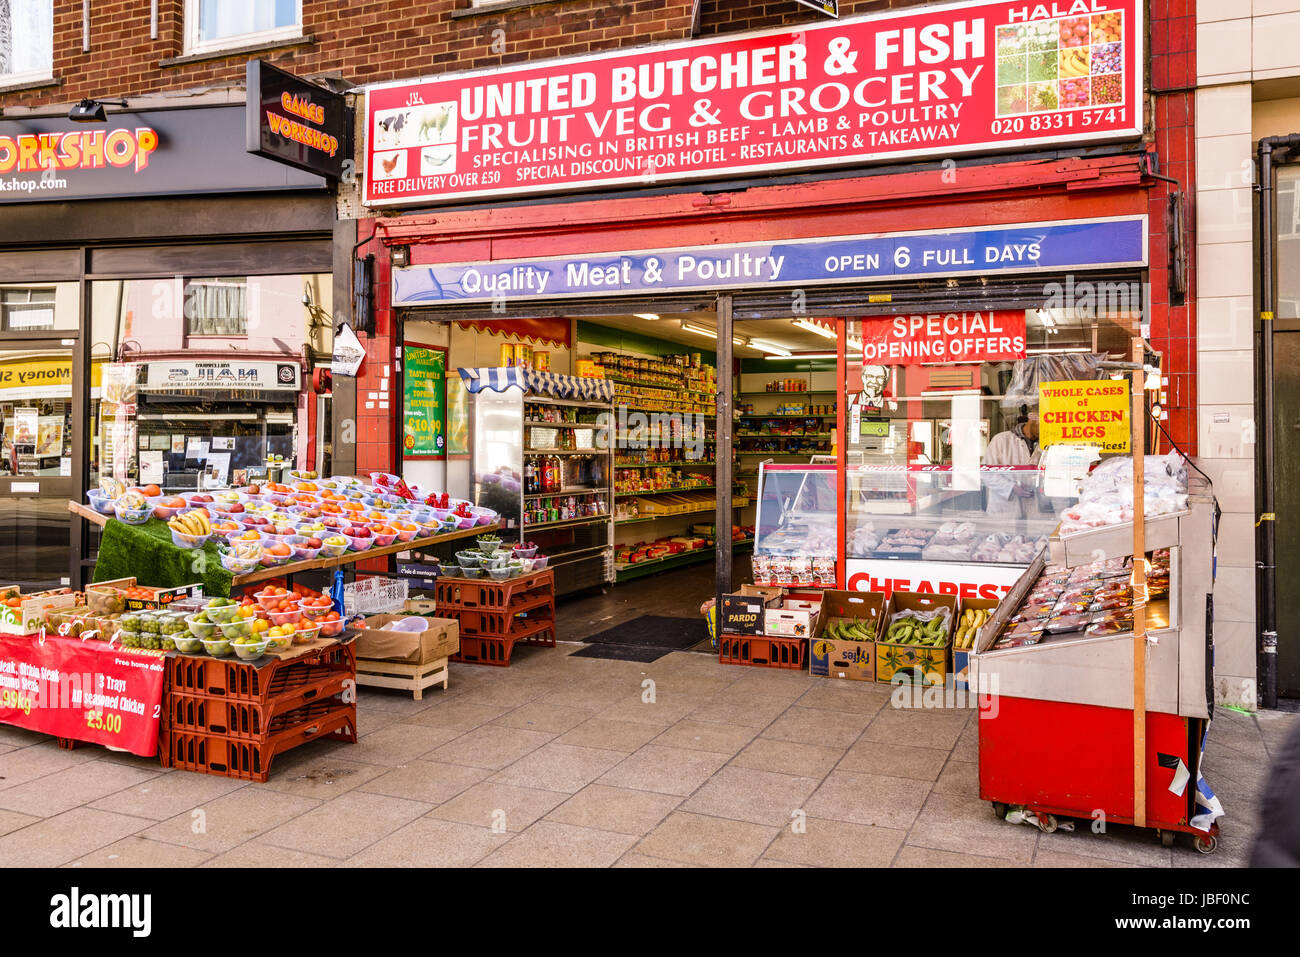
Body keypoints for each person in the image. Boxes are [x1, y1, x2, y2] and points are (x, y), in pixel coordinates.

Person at [984, 407, 1040, 518]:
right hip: (1004, 511)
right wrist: (1011, 487)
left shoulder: (1046, 444)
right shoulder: (1001, 440)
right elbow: (985, 473)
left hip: (1034, 512)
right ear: (1032, 418)